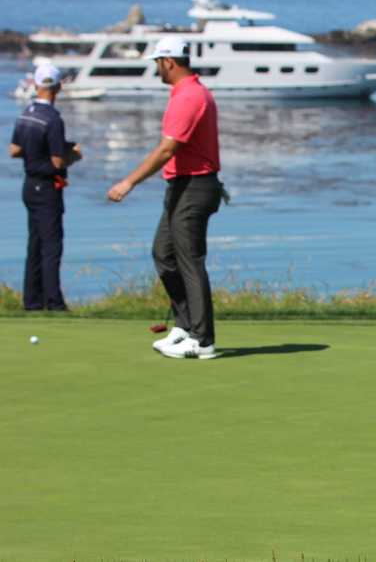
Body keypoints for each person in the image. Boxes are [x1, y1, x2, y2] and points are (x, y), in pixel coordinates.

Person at [107, 36, 223, 360]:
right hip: (182, 186)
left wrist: (129, 182)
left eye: (157, 62)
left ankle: (202, 341)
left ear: (168, 62)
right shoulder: (187, 93)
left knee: (189, 261)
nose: (156, 68)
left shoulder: (189, 96)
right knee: (164, 253)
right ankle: (185, 326)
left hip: (194, 186)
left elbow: (167, 148)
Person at [9, 64, 81, 311]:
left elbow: (15, 150)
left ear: (37, 85)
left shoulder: (26, 113)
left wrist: (35, 153)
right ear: (58, 87)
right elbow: (57, 161)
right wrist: (72, 154)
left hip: (28, 185)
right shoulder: (53, 119)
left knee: (35, 244)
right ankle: (54, 302)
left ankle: (31, 301)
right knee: (52, 246)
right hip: (47, 188)